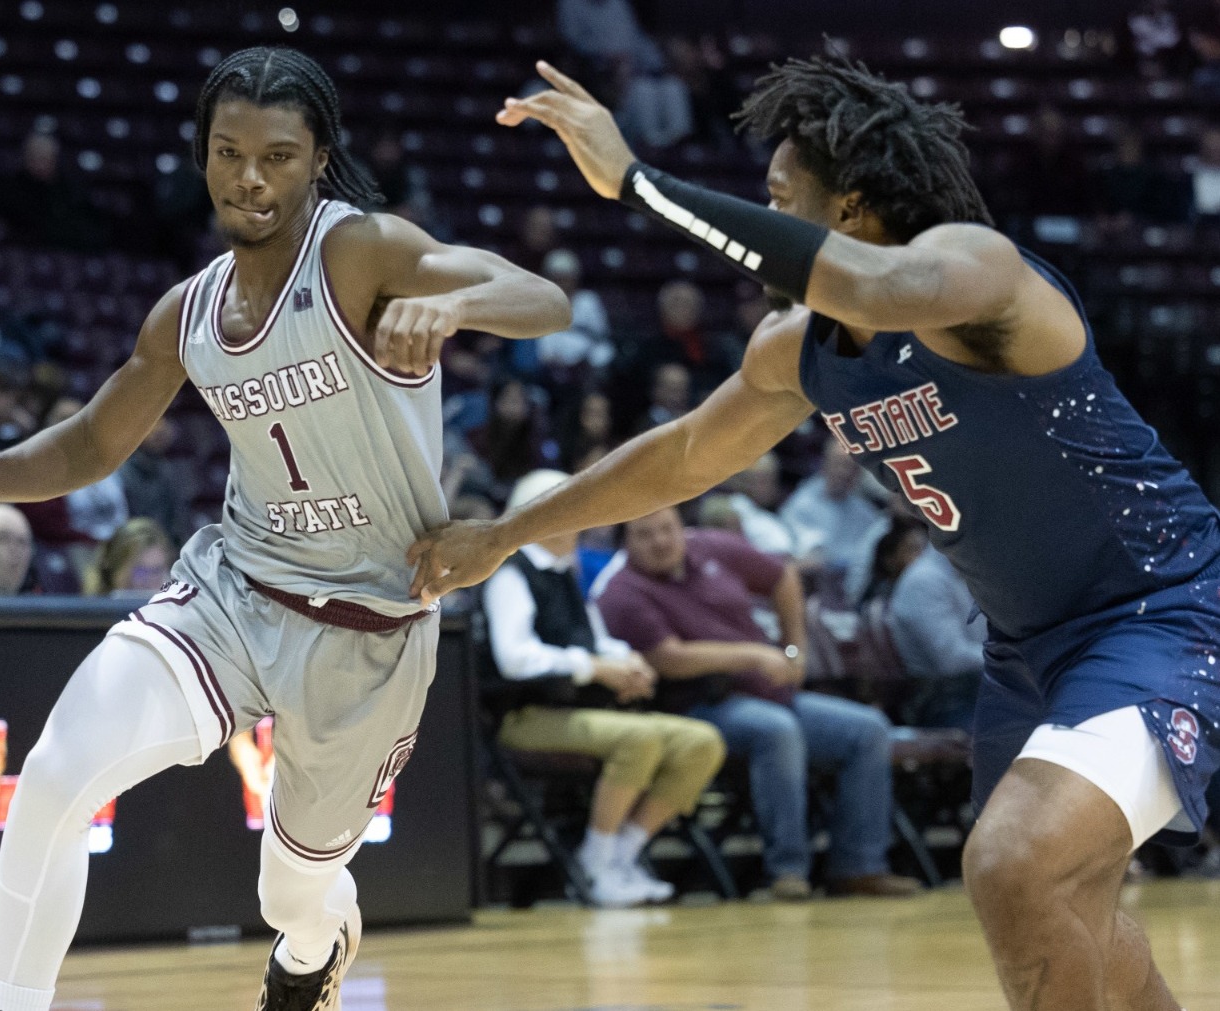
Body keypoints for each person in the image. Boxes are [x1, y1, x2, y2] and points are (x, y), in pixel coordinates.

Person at [409, 56, 1220, 1010]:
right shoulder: (798, 352)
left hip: (1160, 610)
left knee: (1015, 864)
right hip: (1027, 649)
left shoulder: (978, 272)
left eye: (778, 197)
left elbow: (876, 289)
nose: (759, 228)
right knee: (1063, 899)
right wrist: (506, 531)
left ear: (849, 209)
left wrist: (638, 184)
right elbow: (678, 458)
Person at [0, 45, 570, 1011]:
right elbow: (96, 439)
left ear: (318, 161)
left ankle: (319, 938)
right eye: (228, 153)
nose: (250, 178)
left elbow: (546, 300)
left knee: (290, 891)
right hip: (231, 591)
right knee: (54, 774)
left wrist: (453, 302)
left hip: (368, 629)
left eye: (276, 155)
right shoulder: (185, 313)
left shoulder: (362, 252)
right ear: (202, 157)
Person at [594, 507, 915, 899]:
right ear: (625, 543)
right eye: (645, 535)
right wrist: (753, 655)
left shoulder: (712, 547)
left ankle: (859, 867)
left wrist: (794, 647)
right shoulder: (622, 592)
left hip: (774, 694)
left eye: (667, 529)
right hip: (699, 706)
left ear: (684, 528)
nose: (661, 541)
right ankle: (787, 871)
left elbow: (784, 576)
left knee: (868, 729)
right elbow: (669, 659)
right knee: (776, 731)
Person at [484, 470, 724, 907]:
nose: (583, 523)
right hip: (526, 716)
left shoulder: (565, 572)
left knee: (701, 743)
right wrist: (594, 668)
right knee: (642, 738)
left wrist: (629, 662)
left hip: (582, 710)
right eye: (574, 513)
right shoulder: (510, 575)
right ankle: (596, 863)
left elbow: (598, 642)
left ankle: (622, 855)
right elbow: (515, 658)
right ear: (542, 518)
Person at [887, 538, 986, 731]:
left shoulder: (972, 572)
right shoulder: (923, 581)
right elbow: (951, 661)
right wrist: (1014, 658)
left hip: (981, 691)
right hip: (942, 702)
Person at [780, 438, 886, 573]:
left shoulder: (866, 512)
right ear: (825, 464)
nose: (845, 472)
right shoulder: (802, 503)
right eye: (840, 464)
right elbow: (811, 554)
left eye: (852, 467)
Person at [82, 516, 174, 599]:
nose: (149, 583)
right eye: (140, 571)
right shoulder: (86, 615)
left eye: (156, 571)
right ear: (113, 570)